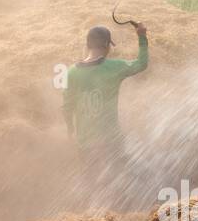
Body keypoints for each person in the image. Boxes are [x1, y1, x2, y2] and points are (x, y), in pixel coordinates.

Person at [63, 20, 148, 168]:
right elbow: (141, 63)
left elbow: (67, 107)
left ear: (87, 45)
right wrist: (142, 36)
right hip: (111, 143)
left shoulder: (71, 72)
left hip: (85, 146)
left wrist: (71, 131)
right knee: (119, 181)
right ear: (107, 46)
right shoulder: (114, 67)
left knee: (92, 184)